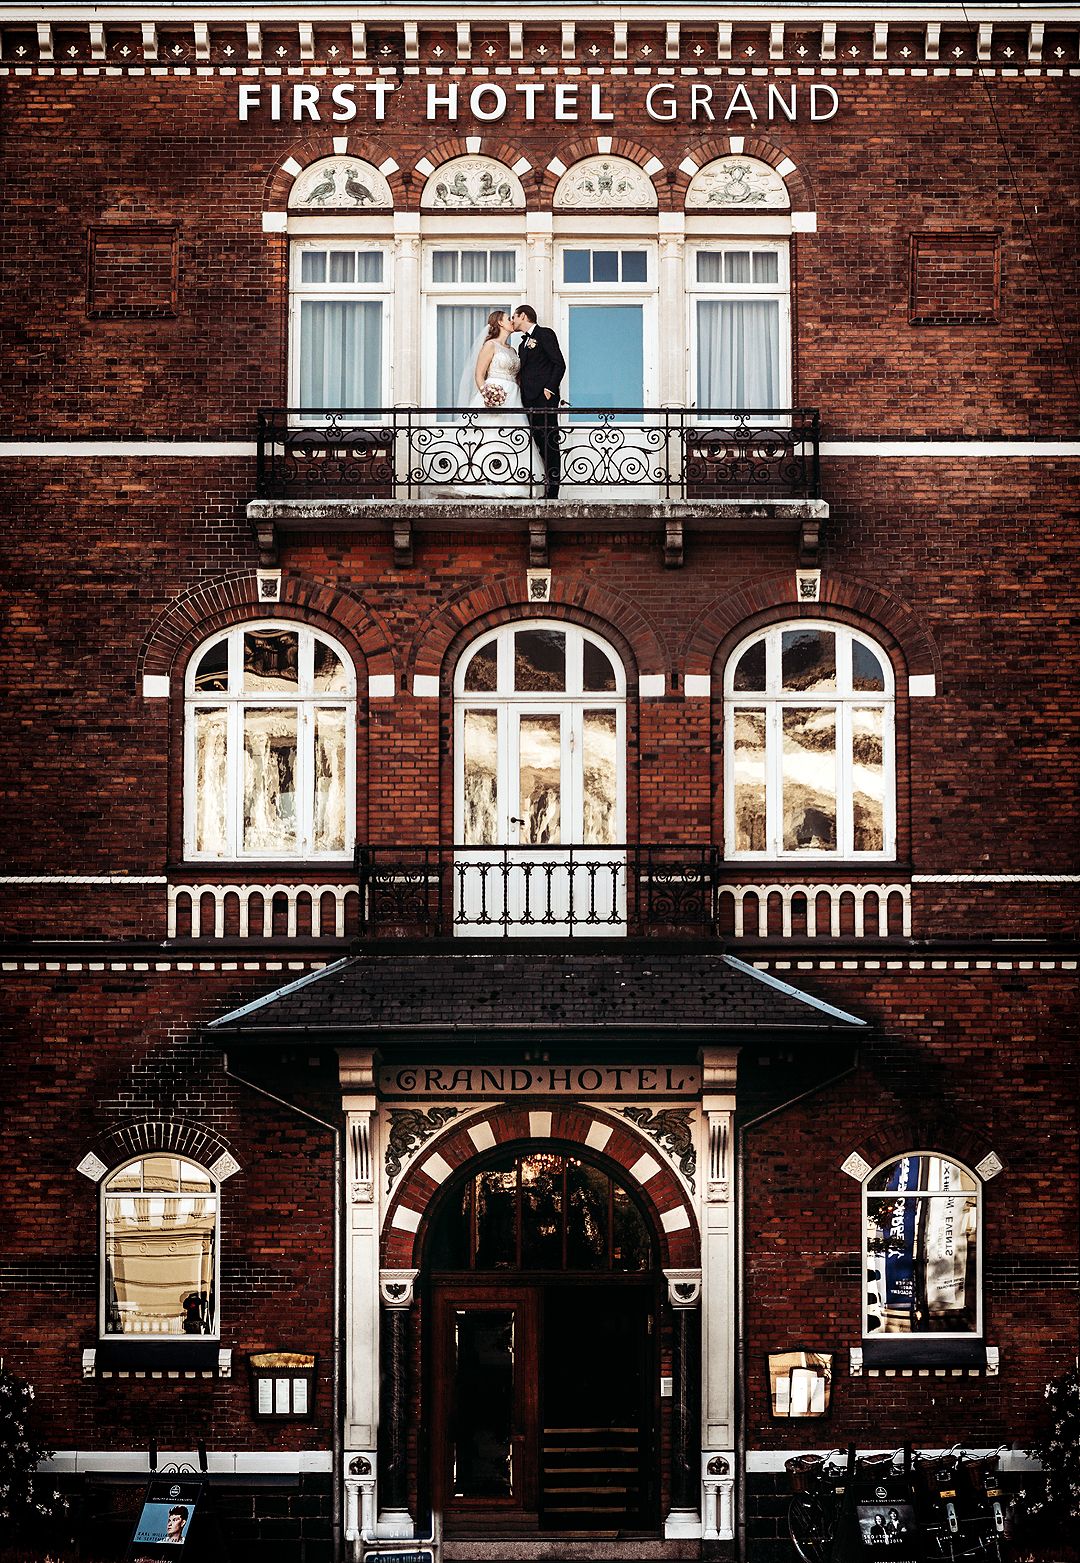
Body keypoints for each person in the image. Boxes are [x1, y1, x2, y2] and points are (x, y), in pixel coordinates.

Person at [435, 310, 543, 498]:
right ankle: (482, 477)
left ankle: (514, 482)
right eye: (508, 318)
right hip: (493, 393)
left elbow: (518, 377)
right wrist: (488, 394)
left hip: (513, 396)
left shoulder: (513, 350)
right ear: (499, 323)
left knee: (513, 436)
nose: (512, 321)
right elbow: (479, 374)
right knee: (489, 435)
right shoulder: (490, 345)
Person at [512, 304, 567, 499]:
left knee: (549, 445)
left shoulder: (545, 334)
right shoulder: (521, 344)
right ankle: (541, 488)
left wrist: (549, 389)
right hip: (528, 401)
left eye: (514, 317)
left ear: (524, 316)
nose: (512, 321)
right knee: (537, 444)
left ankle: (553, 492)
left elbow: (559, 364)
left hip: (544, 400)